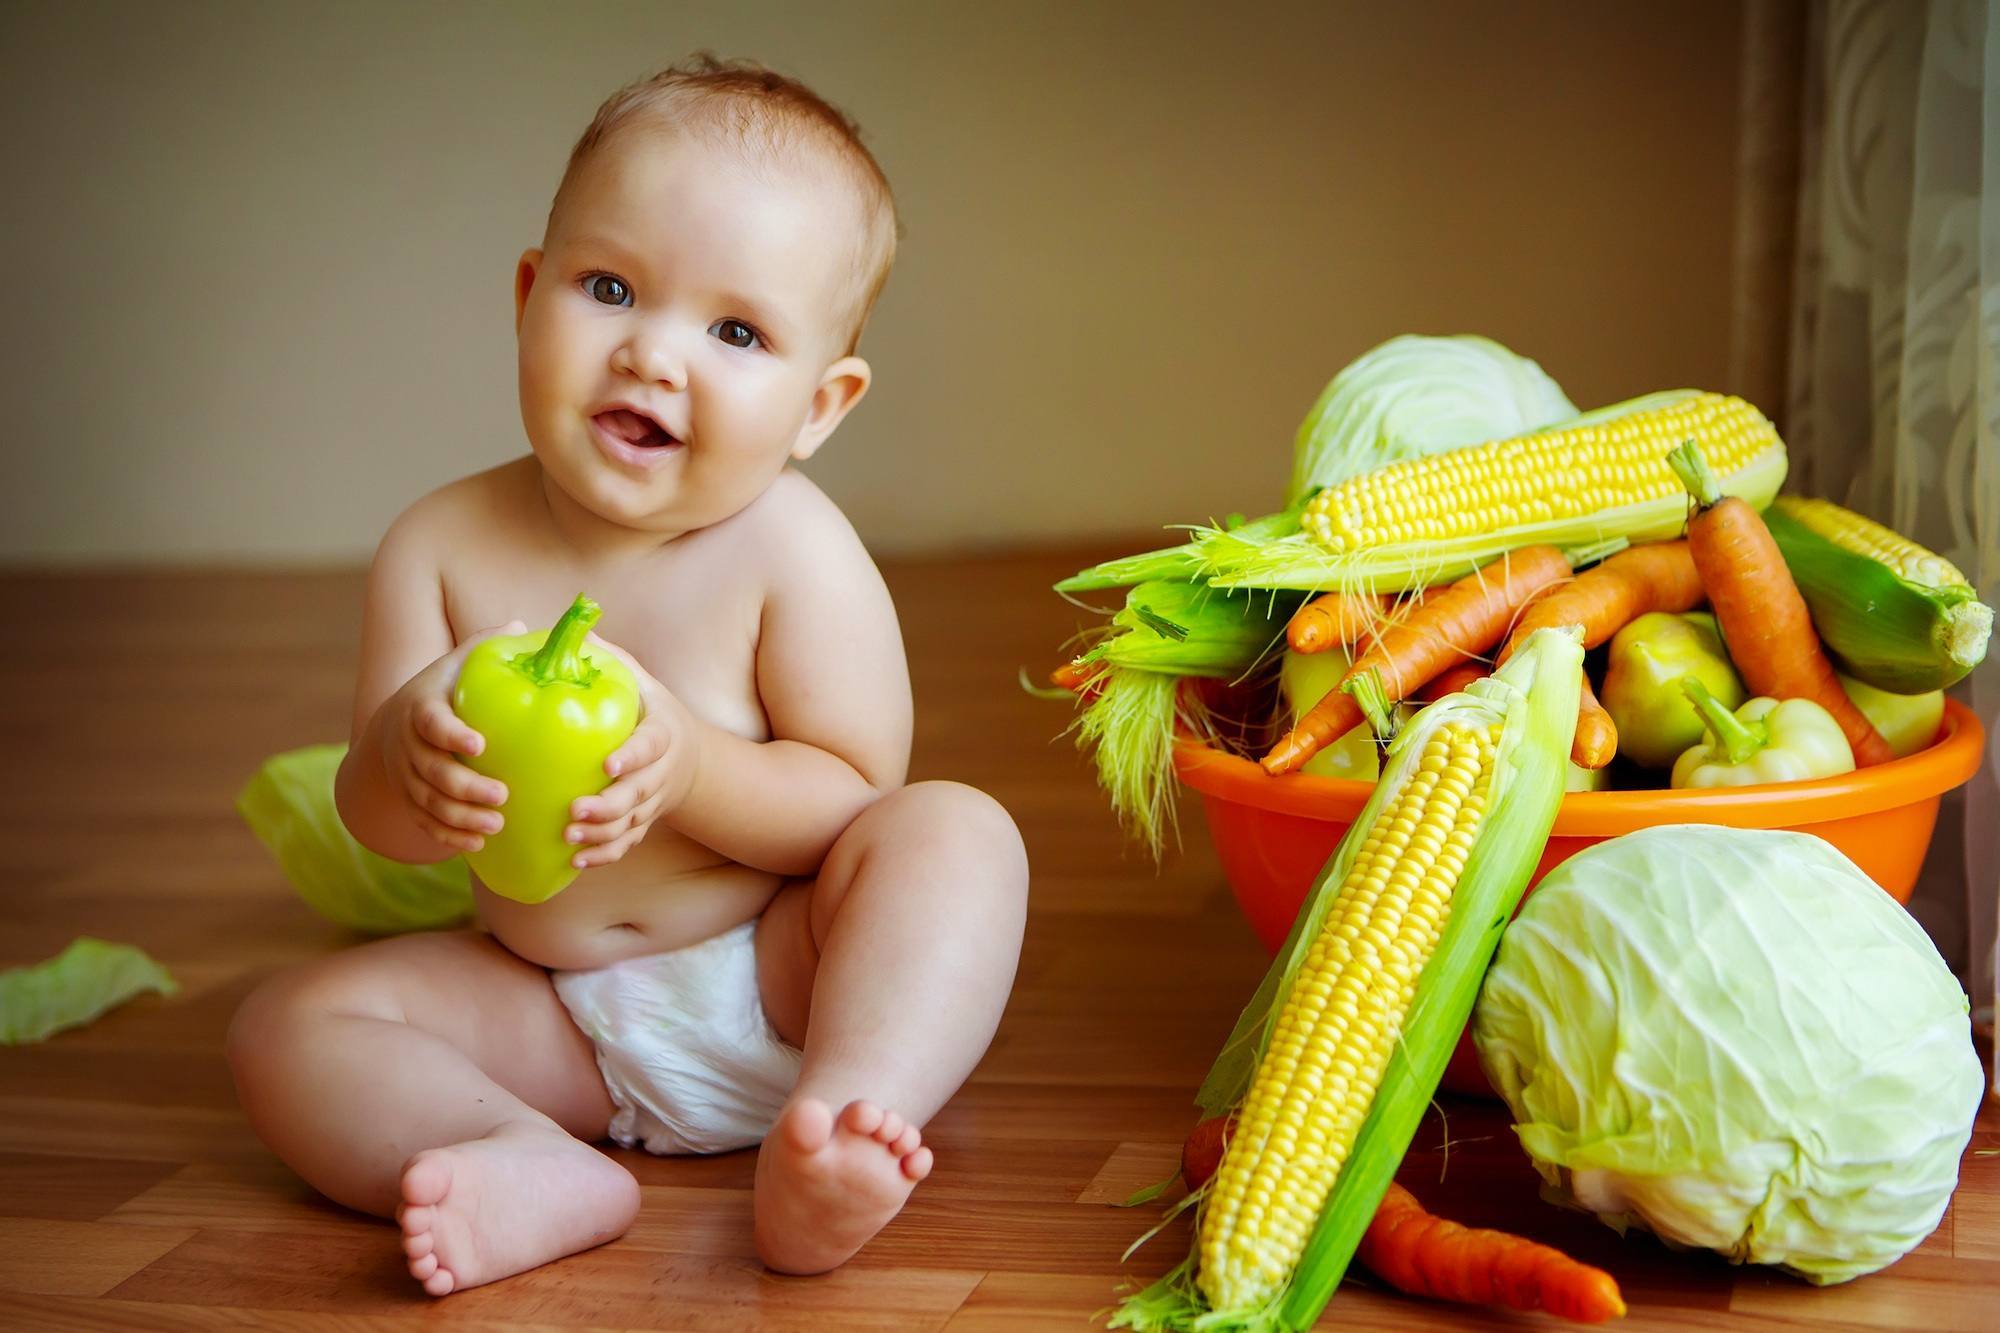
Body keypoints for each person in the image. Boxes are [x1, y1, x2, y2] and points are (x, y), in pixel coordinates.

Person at [226, 55, 1029, 1297]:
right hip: (550, 1013)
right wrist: (407, 758)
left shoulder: (791, 548)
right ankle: (517, 1152)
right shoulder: (438, 545)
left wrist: (694, 768)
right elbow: (380, 824)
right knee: (287, 1026)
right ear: (525, 295)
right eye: (610, 288)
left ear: (820, 404)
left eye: (735, 331)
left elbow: (851, 793)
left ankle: (844, 1116)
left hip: (779, 974)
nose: (655, 355)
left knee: (956, 837)